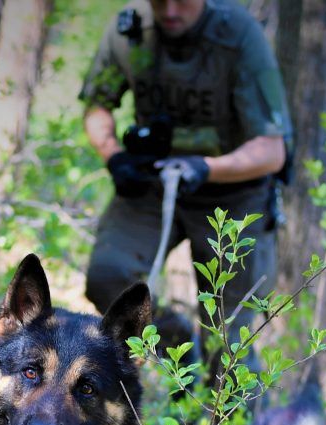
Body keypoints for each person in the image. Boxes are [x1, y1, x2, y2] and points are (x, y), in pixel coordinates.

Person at [79, 0, 291, 374]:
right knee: (107, 278)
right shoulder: (131, 30)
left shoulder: (238, 36)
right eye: (160, 1)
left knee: (225, 333)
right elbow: (97, 105)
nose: (171, 10)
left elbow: (272, 150)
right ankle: (176, 344)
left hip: (234, 192)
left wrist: (206, 167)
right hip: (153, 180)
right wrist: (114, 156)